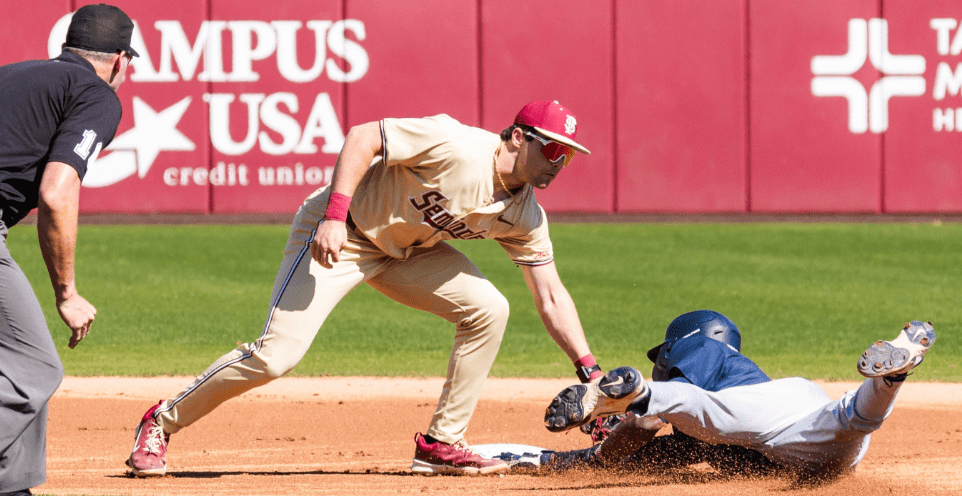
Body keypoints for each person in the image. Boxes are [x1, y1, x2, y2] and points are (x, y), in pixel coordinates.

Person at [127, 100, 604, 477]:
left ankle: (440, 445)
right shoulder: (457, 146)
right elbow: (363, 137)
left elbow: (550, 295)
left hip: (406, 252)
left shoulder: (525, 214)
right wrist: (334, 215)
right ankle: (161, 421)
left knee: (489, 309)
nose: (560, 162)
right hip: (341, 233)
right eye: (553, 148)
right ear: (519, 137)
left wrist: (592, 377)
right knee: (276, 357)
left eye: (568, 154)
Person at [530, 311, 936, 483]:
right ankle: (890, 380)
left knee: (697, 405)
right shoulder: (740, 374)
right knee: (851, 420)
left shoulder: (700, 349)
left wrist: (594, 459)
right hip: (807, 416)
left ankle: (640, 391)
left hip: (766, 415)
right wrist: (623, 462)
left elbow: (648, 423)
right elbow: (677, 452)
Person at [0, 4, 137, 495]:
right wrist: (67, 292)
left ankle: (11, 487)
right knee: (36, 365)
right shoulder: (94, 94)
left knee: (15, 356)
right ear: (121, 60)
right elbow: (57, 192)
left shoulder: (12, 74)